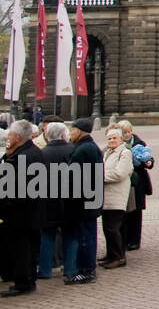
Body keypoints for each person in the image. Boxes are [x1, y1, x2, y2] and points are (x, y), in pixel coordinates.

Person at [0, 121, 45, 295]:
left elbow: (16, 188)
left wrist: (7, 206)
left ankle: (24, 282)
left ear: (18, 137)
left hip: (22, 213)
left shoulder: (25, 156)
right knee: (27, 247)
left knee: (23, 248)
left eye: (10, 135)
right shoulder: (29, 152)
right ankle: (26, 279)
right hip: (28, 211)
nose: (8, 137)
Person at [37, 122, 78, 281]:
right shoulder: (73, 151)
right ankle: (70, 269)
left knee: (47, 237)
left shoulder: (42, 153)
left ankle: (45, 270)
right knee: (71, 235)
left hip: (48, 201)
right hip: (69, 201)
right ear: (63, 135)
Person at [66, 119, 101, 284]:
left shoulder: (83, 150)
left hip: (83, 201)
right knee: (88, 235)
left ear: (79, 131)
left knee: (85, 237)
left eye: (71, 130)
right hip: (90, 199)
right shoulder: (90, 147)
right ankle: (87, 269)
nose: (69, 134)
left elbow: (74, 178)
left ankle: (86, 271)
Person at [117, 120, 153, 252]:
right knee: (125, 212)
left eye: (128, 131)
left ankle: (135, 240)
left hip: (137, 182)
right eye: (124, 132)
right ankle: (125, 239)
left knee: (136, 212)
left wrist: (148, 162)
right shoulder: (118, 144)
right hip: (124, 181)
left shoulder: (139, 143)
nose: (127, 134)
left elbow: (148, 158)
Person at [100, 127, 133, 270]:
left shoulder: (125, 153)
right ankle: (110, 254)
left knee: (113, 228)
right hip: (107, 195)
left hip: (117, 195)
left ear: (120, 139)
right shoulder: (107, 152)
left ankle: (119, 257)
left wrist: (100, 176)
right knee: (107, 228)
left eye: (114, 138)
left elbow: (120, 173)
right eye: (109, 138)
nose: (112, 141)